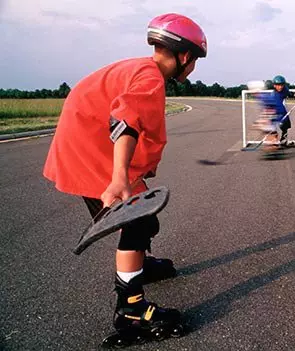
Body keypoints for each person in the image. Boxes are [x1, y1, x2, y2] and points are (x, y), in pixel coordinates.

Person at [43, 13, 207, 347]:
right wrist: (119, 177)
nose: (193, 69)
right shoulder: (151, 78)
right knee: (136, 222)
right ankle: (131, 308)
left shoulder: (141, 68)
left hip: (87, 144)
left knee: (145, 220)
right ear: (185, 55)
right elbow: (125, 121)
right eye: (195, 61)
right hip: (90, 152)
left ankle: (140, 264)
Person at [270, 75, 295, 147]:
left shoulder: (285, 89)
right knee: (273, 126)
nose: (280, 87)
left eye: (282, 85)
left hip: (282, 110)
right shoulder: (274, 95)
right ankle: (274, 142)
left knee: (286, 124)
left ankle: (283, 141)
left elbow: (290, 94)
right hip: (273, 110)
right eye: (278, 85)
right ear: (274, 85)